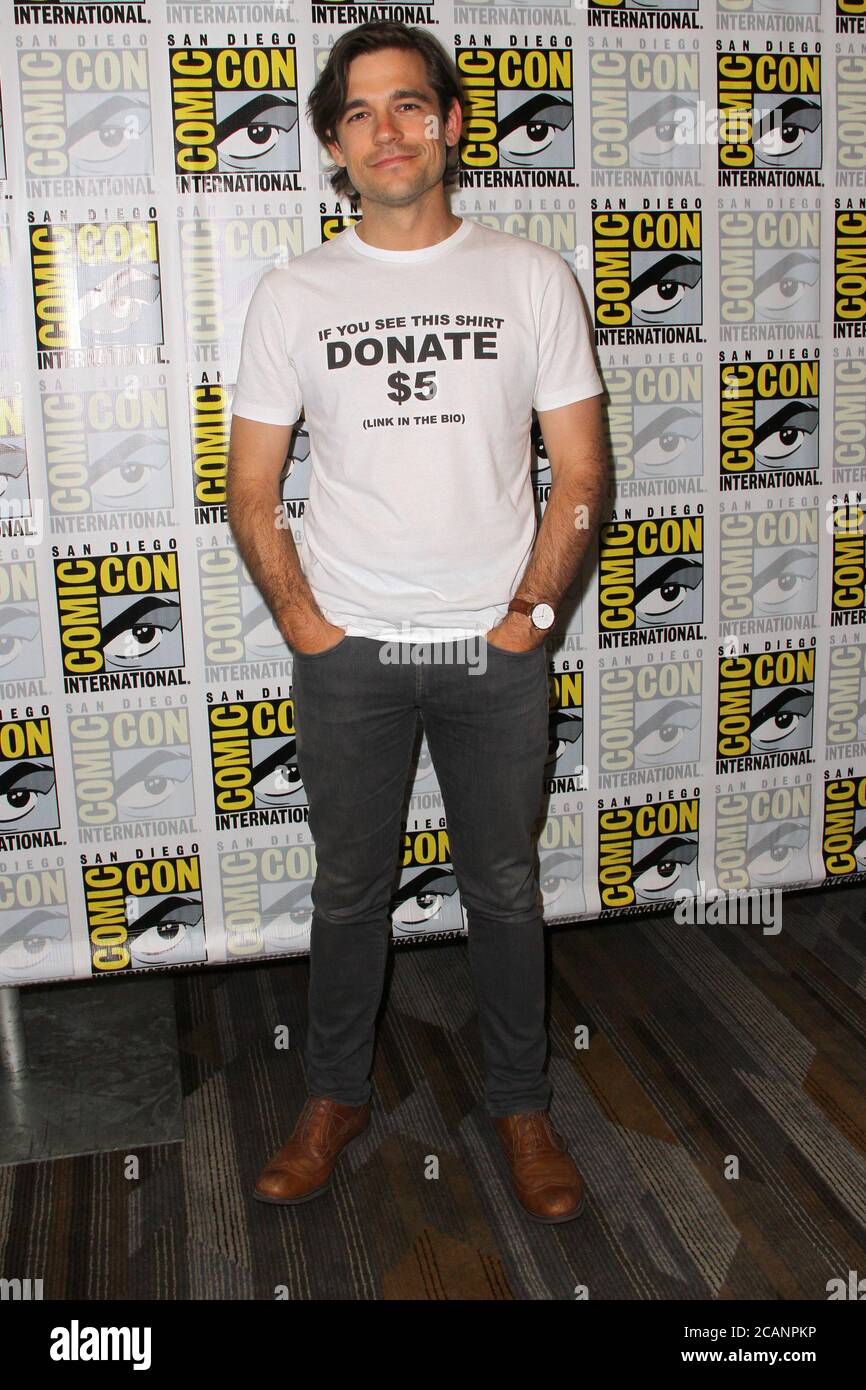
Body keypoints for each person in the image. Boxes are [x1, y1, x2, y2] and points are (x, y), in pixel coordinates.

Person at [227, 20, 608, 1224]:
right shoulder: (296, 292)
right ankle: (332, 1094)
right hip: (354, 650)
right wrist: (307, 622)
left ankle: (519, 1102)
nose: (385, 130)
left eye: (407, 105)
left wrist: (525, 621)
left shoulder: (530, 276)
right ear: (334, 146)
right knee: (349, 889)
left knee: (501, 886)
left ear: (448, 123)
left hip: (492, 650)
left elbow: (581, 477)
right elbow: (249, 489)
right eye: (357, 113)